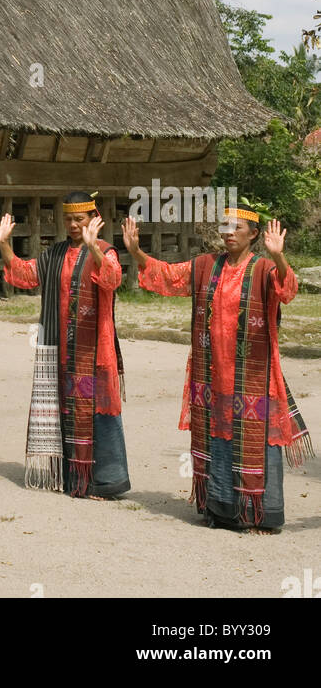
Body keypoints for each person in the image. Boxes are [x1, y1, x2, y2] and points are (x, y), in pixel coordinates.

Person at [123, 208, 312, 531]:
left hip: (252, 375)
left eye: (236, 227)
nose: (228, 232)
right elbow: (168, 276)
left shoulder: (264, 268)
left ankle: (260, 514)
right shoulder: (205, 265)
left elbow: (287, 290)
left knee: (257, 438)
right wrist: (136, 251)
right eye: (224, 226)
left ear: (253, 234)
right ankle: (221, 509)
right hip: (211, 373)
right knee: (215, 439)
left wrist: (279, 257)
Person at [0, 192, 130, 498]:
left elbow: (111, 279)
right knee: (66, 411)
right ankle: (73, 478)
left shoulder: (107, 251)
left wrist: (93, 246)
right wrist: (4, 244)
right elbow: (23, 274)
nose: (72, 225)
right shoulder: (54, 254)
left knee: (97, 413)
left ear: (93, 219)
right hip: (60, 349)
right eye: (68, 219)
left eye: (79, 219)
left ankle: (106, 481)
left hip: (94, 350)